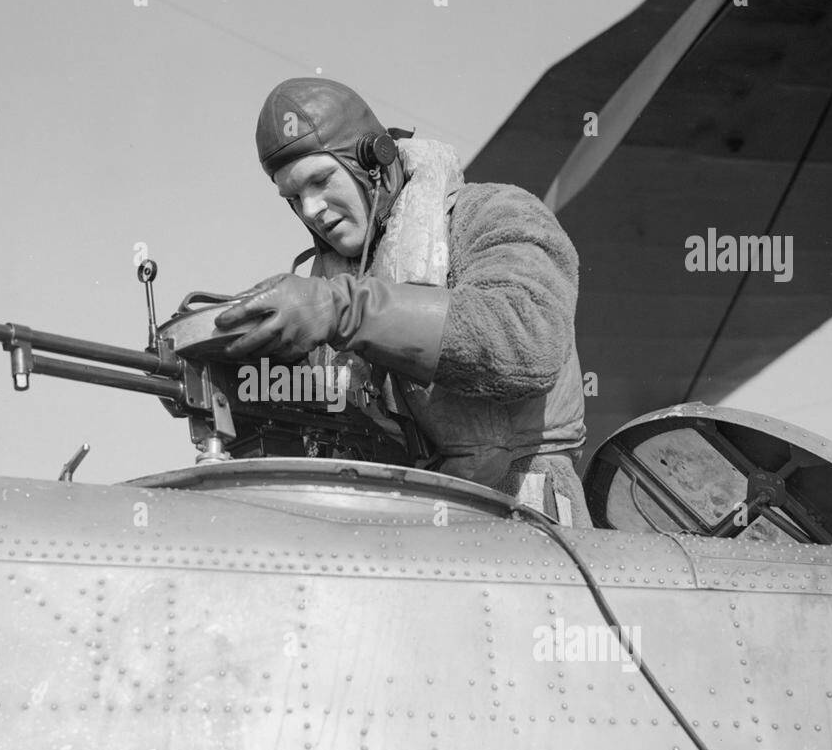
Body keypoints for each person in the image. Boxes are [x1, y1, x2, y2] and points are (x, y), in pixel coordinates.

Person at [215, 77, 591, 526]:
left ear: (374, 159)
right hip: (410, 524)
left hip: (530, 519)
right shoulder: (333, 289)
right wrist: (229, 382)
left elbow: (527, 339)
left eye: (320, 180)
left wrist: (344, 310)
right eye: (294, 197)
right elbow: (318, 427)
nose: (311, 209)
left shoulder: (494, 213)